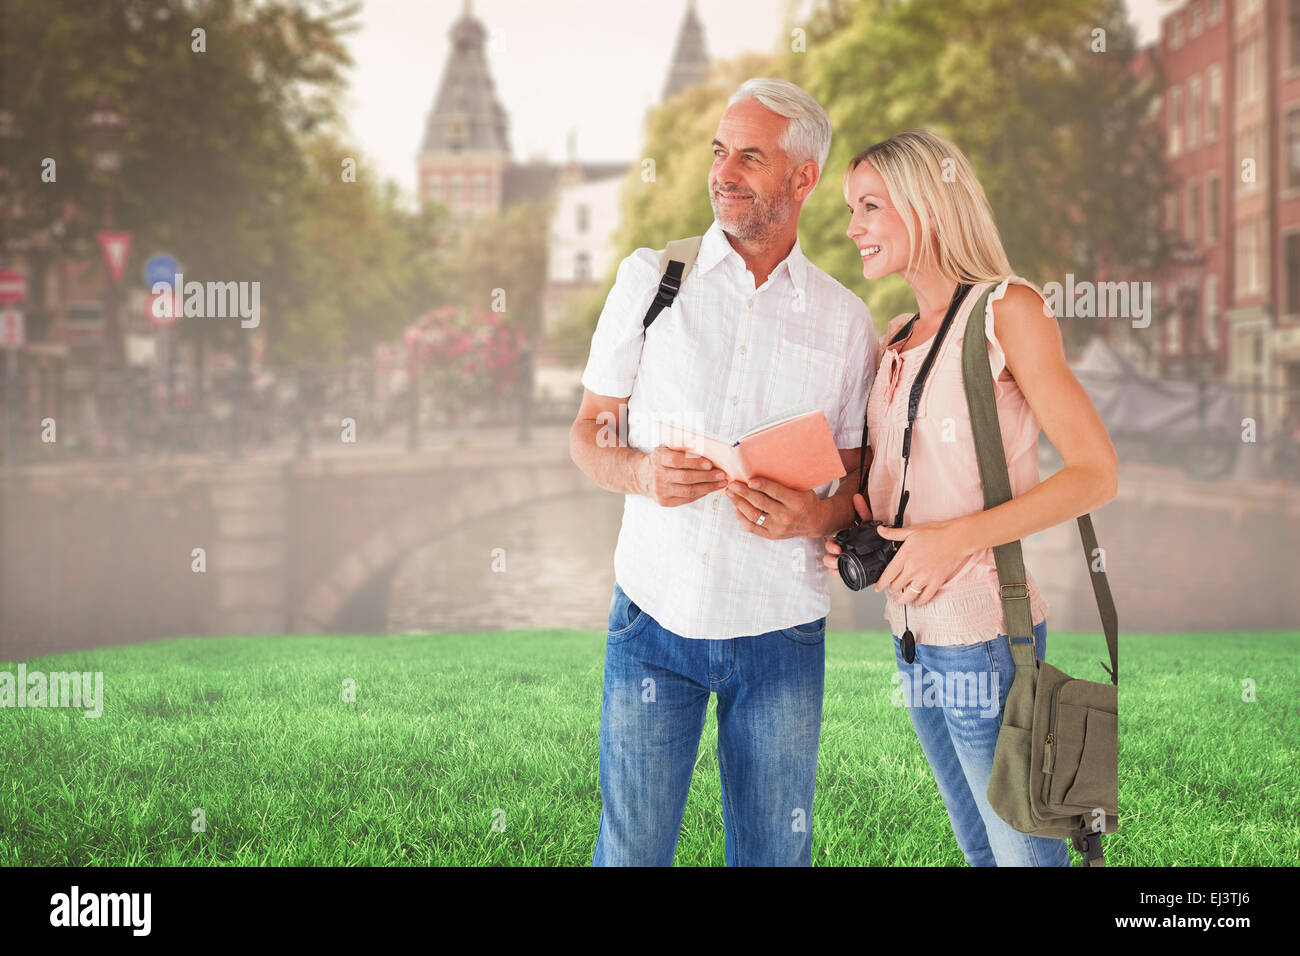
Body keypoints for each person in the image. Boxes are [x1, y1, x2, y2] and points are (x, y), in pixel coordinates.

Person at [570, 78, 880, 866]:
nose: (724, 171)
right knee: (632, 851)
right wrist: (641, 474)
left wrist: (814, 518)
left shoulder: (845, 322)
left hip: (778, 627)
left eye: (750, 155)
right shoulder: (651, 279)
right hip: (652, 619)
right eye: (718, 151)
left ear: (803, 179)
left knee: (776, 855)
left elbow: (853, 482)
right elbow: (587, 434)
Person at [823, 129, 1117, 866]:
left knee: (1023, 856)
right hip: (912, 635)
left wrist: (954, 538)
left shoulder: (1004, 311)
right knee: (982, 852)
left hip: (983, 632)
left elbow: (1095, 473)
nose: (851, 227)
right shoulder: (895, 337)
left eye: (869, 206)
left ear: (926, 204)